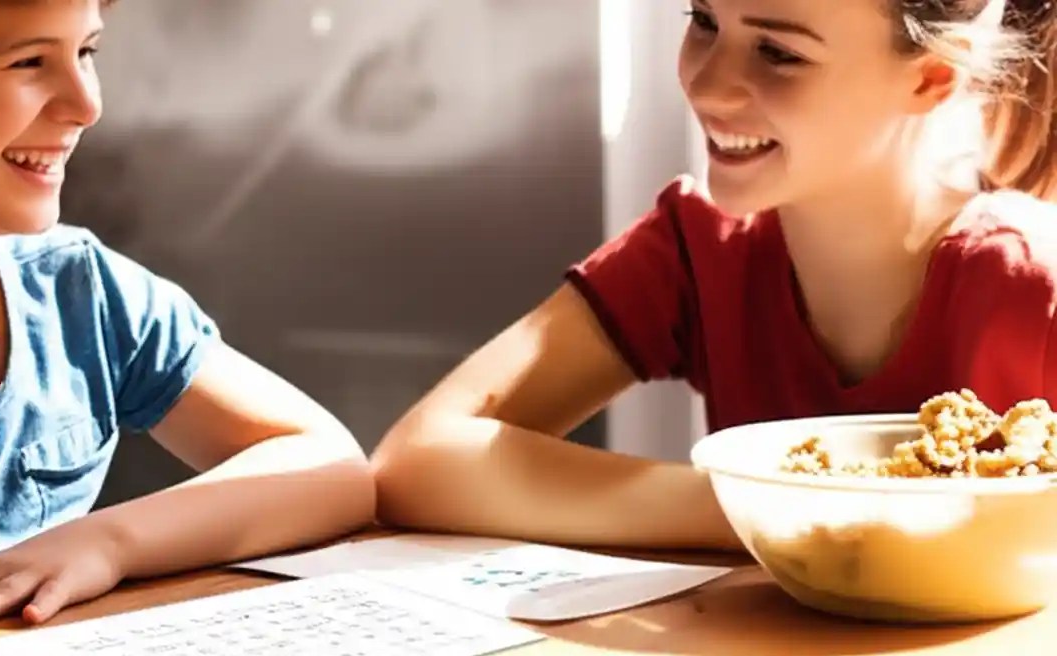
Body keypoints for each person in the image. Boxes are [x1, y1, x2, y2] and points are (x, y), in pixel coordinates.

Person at [0, 0, 376, 656]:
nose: (86, 104)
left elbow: (328, 469)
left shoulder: (81, 290)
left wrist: (106, 542)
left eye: (86, 53)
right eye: (28, 62)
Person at [371, 0, 1057, 550]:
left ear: (929, 78)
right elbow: (422, 458)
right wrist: (773, 509)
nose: (705, 82)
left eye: (779, 51)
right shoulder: (697, 250)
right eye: (702, 21)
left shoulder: (1032, 284)